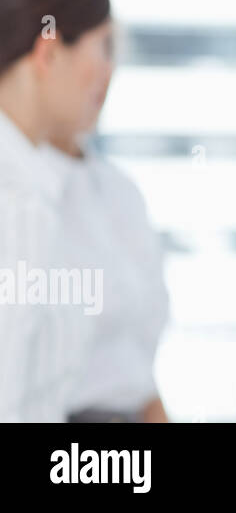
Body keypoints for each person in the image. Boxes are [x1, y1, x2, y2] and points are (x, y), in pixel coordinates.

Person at [0, 0, 113, 421]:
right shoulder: (16, 204)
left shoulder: (35, 186)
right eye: (102, 47)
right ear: (48, 53)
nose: (109, 73)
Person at [41, 124, 170, 422]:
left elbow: (137, 354)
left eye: (111, 71)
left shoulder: (120, 191)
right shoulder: (20, 197)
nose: (103, 75)